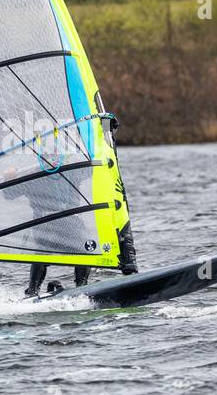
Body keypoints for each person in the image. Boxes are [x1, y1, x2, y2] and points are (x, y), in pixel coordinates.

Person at [24, 114, 138, 297]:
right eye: (47, 155)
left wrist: (107, 130)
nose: (51, 158)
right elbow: (8, 193)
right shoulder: (32, 175)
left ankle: (82, 287)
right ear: (41, 157)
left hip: (70, 221)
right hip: (44, 222)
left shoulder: (73, 171)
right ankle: (32, 290)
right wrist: (9, 176)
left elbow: (98, 165)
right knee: (42, 252)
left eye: (55, 154)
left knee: (87, 247)